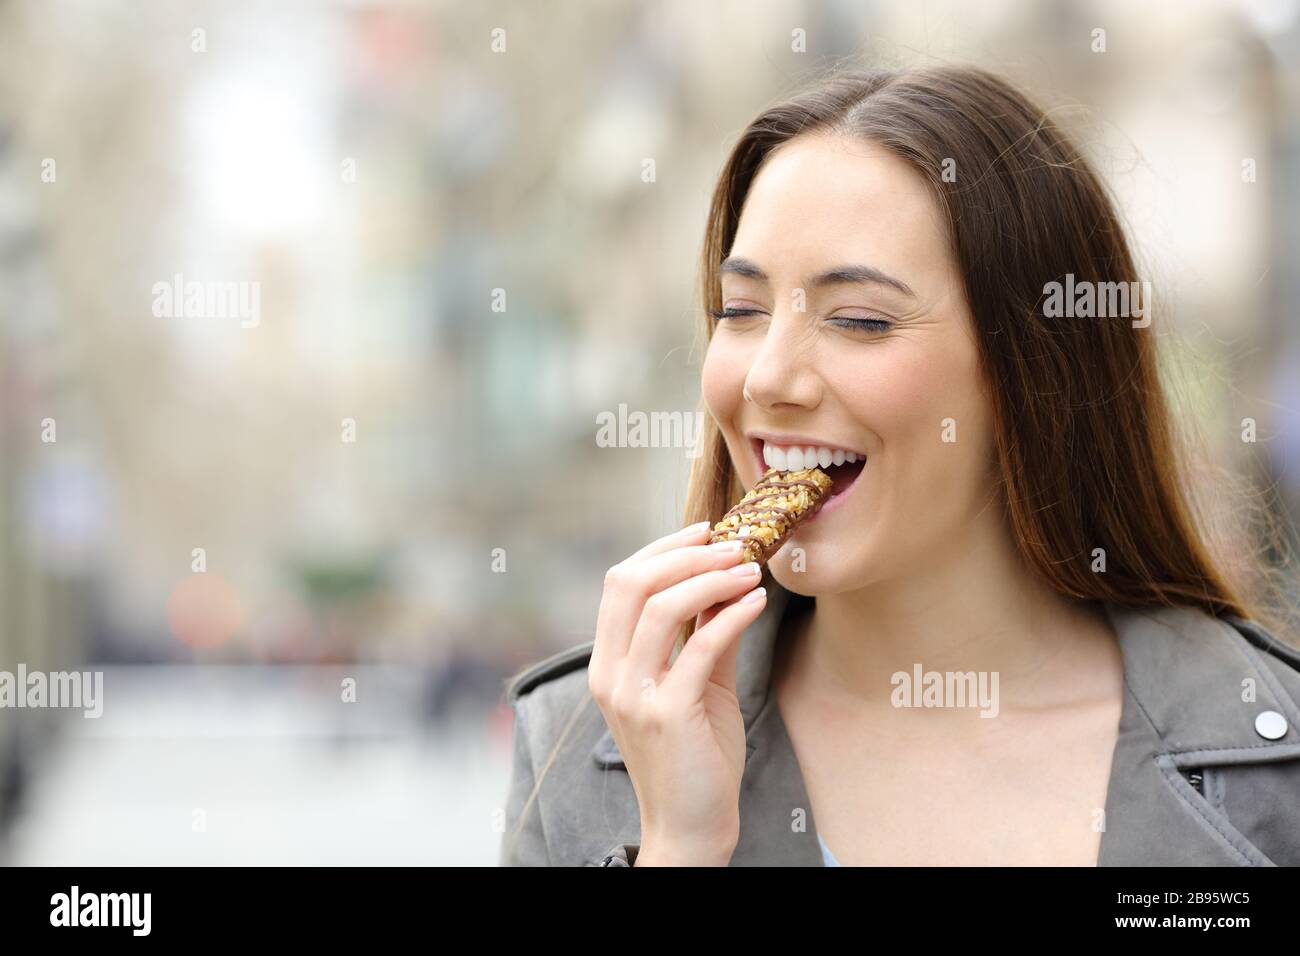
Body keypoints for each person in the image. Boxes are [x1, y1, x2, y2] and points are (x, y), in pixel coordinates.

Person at [499, 64, 1300, 867]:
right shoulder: (587, 752)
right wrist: (680, 847)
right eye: (740, 310)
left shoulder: (1273, 762)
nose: (767, 377)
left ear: (1033, 372)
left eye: (860, 320)